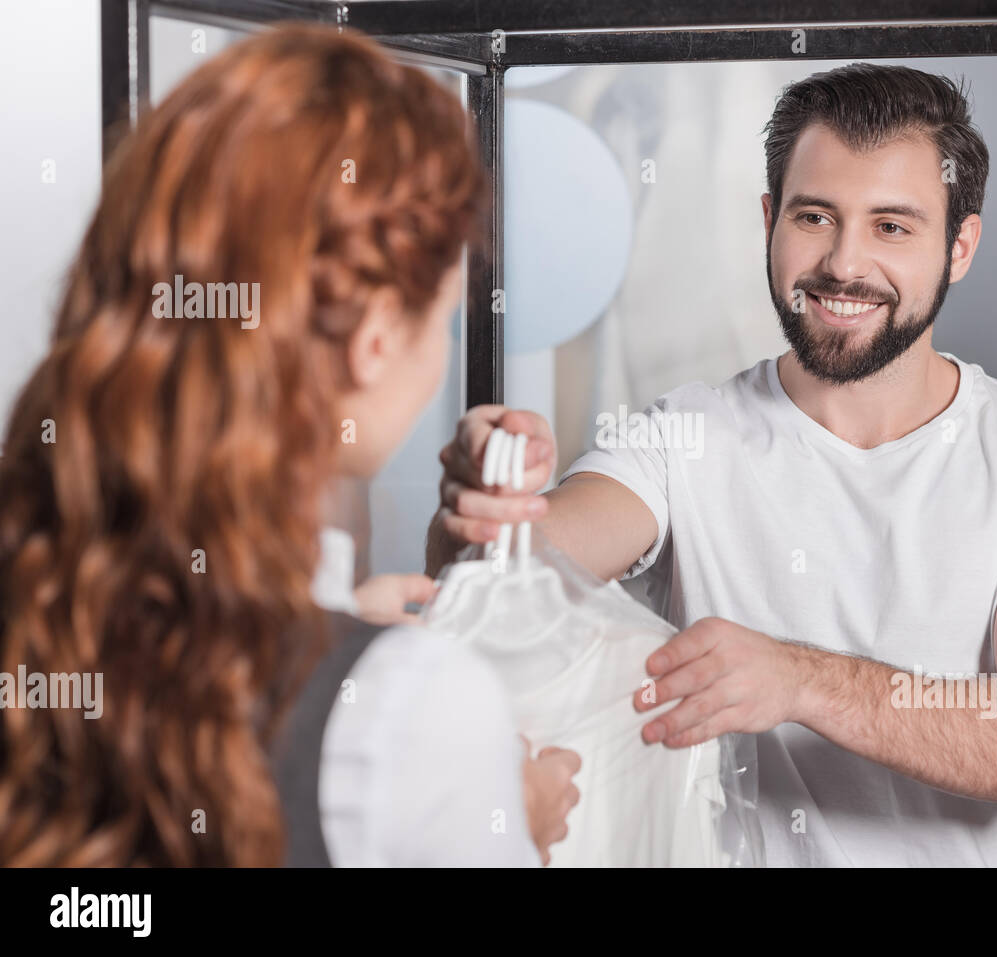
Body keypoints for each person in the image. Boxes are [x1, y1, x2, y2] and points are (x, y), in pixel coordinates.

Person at [427, 63, 997, 867]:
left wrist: (798, 680)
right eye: (814, 216)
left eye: (892, 227)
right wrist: (481, 513)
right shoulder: (682, 436)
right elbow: (499, 574)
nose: (844, 262)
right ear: (770, 219)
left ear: (960, 245)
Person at [0, 24, 577, 867]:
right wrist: (509, 822)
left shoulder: (46, 592)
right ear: (375, 339)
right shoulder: (422, 714)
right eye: (445, 314)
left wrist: (336, 635)